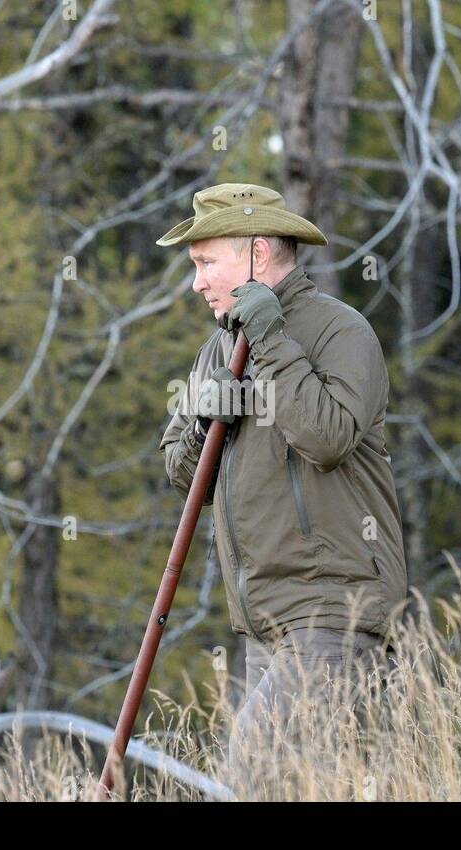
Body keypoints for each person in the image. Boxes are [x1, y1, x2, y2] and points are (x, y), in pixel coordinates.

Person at [155, 183, 408, 790]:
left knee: (252, 775)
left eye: (205, 262)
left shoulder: (341, 333)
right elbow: (184, 476)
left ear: (258, 255)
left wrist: (269, 343)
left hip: (333, 607)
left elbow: (327, 438)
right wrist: (204, 421)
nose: (197, 282)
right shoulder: (217, 349)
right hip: (267, 623)